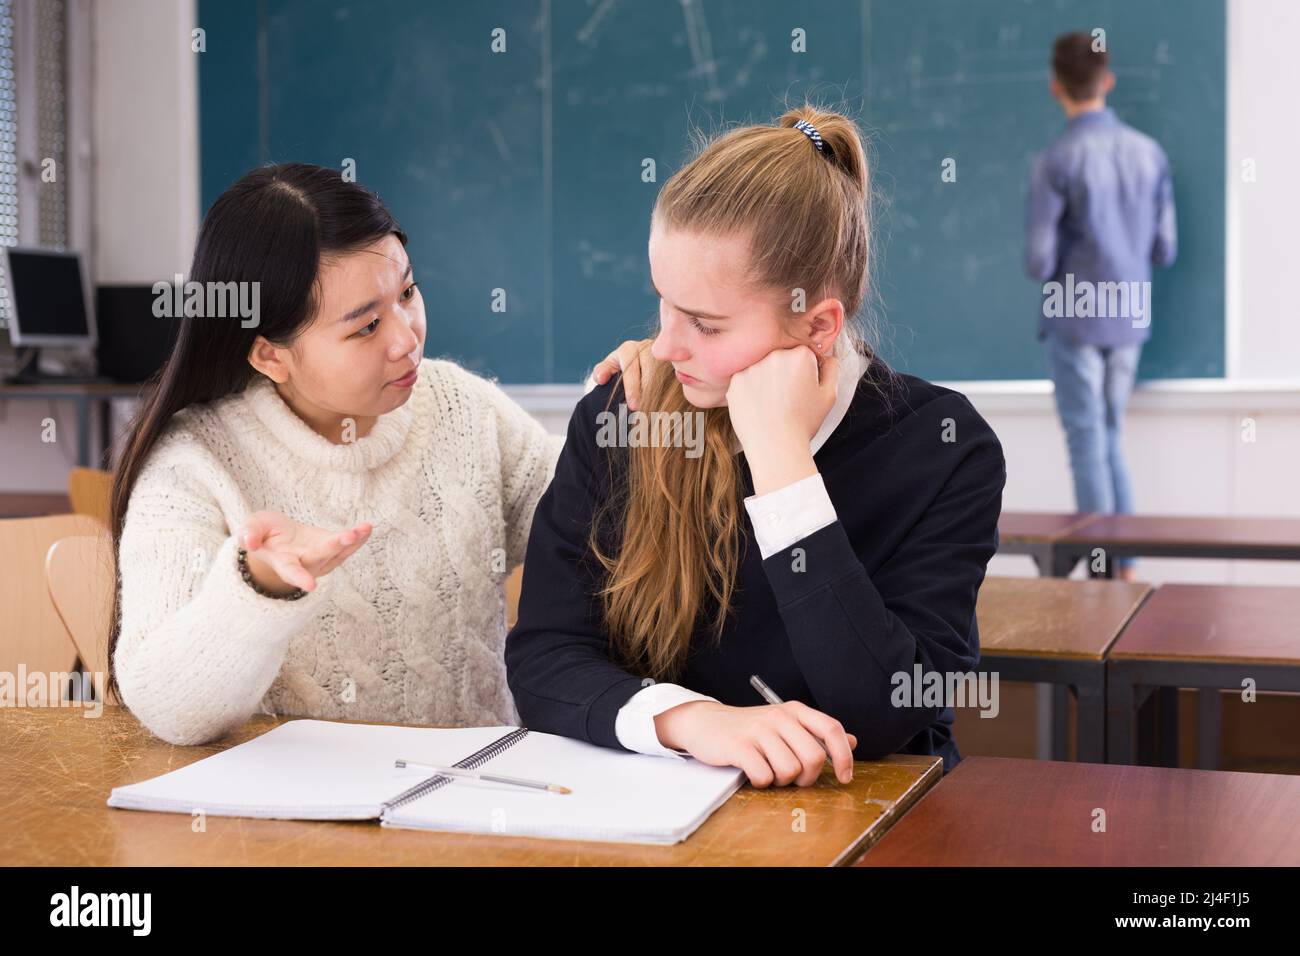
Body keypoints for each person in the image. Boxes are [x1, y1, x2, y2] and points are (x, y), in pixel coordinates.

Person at [506, 107, 1007, 788]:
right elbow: (545, 658)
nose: (666, 347)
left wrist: (782, 464)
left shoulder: (944, 448)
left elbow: (890, 711)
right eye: (664, 303)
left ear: (818, 324)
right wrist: (694, 721)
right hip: (666, 808)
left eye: (707, 325)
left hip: (872, 815)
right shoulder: (628, 414)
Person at [109, 162, 647, 745]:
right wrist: (257, 588)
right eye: (365, 327)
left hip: (478, 795)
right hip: (298, 823)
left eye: (408, 293)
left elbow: (598, 524)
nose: (405, 337)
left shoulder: (460, 407)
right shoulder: (194, 465)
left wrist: (649, 407)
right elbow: (170, 710)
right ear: (269, 355)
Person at [1025, 32, 1178, 580]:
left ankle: (1105, 568)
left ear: (1056, 87)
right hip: (1130, 317)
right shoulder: (1150, 154)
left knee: (1088, 441)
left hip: (1077, 318)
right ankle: (1126, 565)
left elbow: (1040, 261)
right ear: (1107, 81)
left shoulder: (1055, 161)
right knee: (1110, 433)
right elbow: (1165, 248)